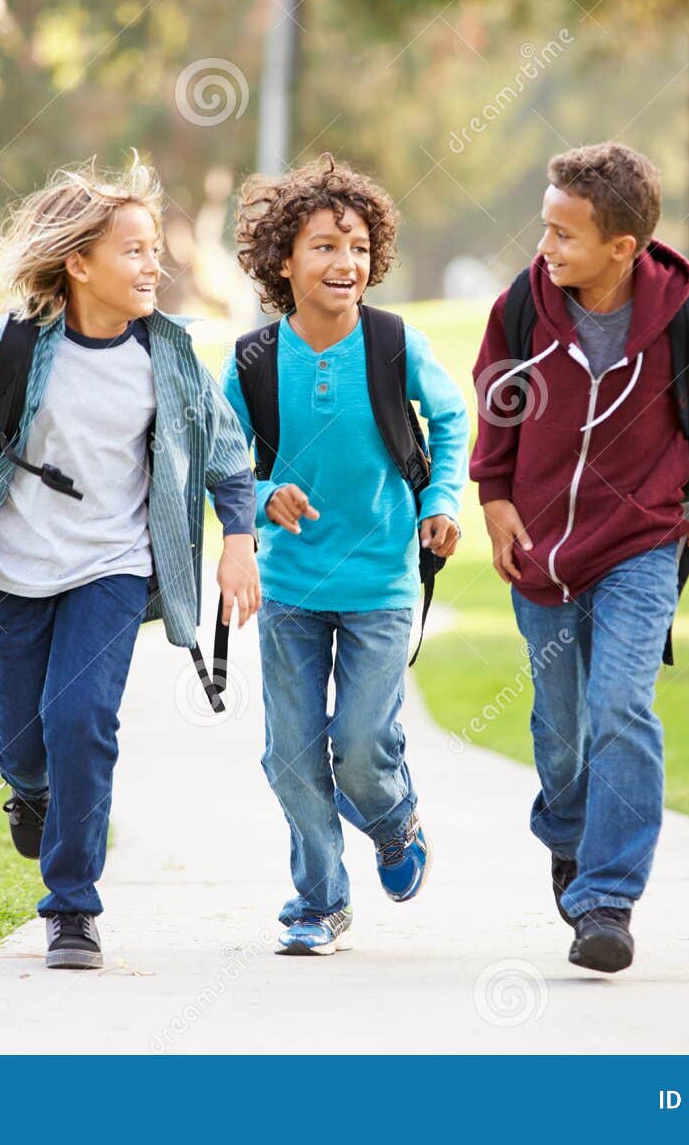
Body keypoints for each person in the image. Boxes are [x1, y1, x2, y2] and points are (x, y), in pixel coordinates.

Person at [0, 156, 262, 970]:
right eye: (133, 251)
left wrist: (238, 538)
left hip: (113, 563)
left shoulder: (167, 356)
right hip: (11, 569)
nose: (152, 266)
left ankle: (72, 907)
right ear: (78, 263)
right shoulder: (5, 347)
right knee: (23, 739)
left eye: (154, 251)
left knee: (81, 722)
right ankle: (29, 790)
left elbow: (227, 452)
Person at [469, 143, 689, 973]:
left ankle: (607, 897)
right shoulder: (522, 310)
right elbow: (496, 399)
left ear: (622, 248)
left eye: (565, 235)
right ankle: (569, 834)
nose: (547, 247)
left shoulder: (685, 318)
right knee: (561, 730)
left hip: (641, 540)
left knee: (622, 704)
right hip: (541, 550)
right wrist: (494, 498)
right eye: (544, 229)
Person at [223, 154, 469, 956]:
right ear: (284, 262)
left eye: (359, 246)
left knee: (361, 746)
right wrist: (261, 501)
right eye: (325, 246)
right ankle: (319, 900)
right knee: (290, 754)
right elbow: (220, 459)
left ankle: (394, 820)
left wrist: (440, 503)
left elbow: (452, 421)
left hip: (381, 582)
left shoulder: (394, 344)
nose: (346, 262)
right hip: (290, 585)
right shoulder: (253, 359)